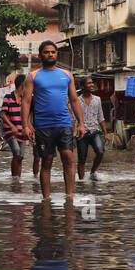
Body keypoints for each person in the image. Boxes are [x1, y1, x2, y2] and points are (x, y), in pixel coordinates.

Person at [19, 40, 85, 202]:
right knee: (46, 161)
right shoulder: (33, 76)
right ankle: (46, 200)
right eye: (47, 52)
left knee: (68, 158)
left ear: (56, 54)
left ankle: (69, 197)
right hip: (43, 126)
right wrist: (26, 125)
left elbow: (75, 100)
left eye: (53, 52)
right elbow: (26, 102)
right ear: (40, 55)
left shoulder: (67, 75)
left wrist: (81, 123)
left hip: (64, 124)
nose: (50, 54)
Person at [75, 76, 106, 180]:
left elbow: (101, 117)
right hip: (81, 133)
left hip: (95, 131)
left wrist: (105, 133)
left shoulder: (97, 99)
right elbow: (72, 118)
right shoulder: (76, 101)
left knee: (100, 151)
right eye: (89, 83)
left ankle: (92, 172)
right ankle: (81, 181)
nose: (92, 85)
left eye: (92, 83)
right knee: (82, 159)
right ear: (83, 86)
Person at [0, 76, 27, 177]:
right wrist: (11, 126)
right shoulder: (8, 97)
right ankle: (14, 177)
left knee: (20, 157)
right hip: (10, 131)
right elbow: (3, 114)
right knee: (17, 152)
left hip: (22, 131)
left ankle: (16, 179)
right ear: (22, 84)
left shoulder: (26, 100)